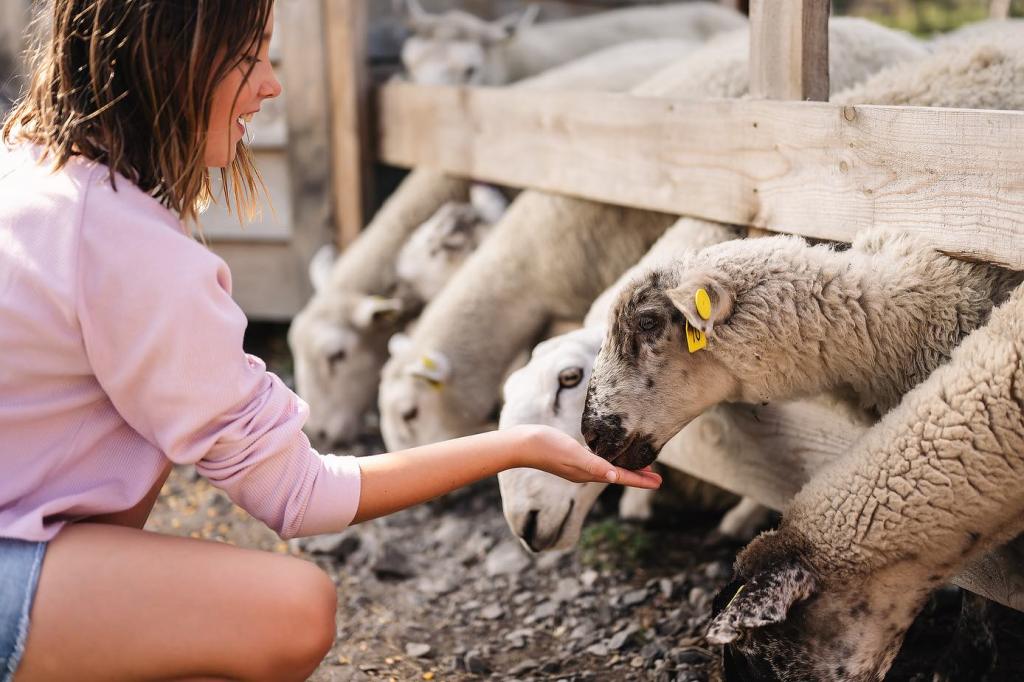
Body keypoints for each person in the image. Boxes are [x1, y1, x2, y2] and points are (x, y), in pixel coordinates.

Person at [0, 2, 661, 681]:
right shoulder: (127, 247)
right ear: (174, 57)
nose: (271, 82)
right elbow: (301, 494)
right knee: (294, 608)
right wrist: (517, 445)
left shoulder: (32, 171)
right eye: (249, 56)